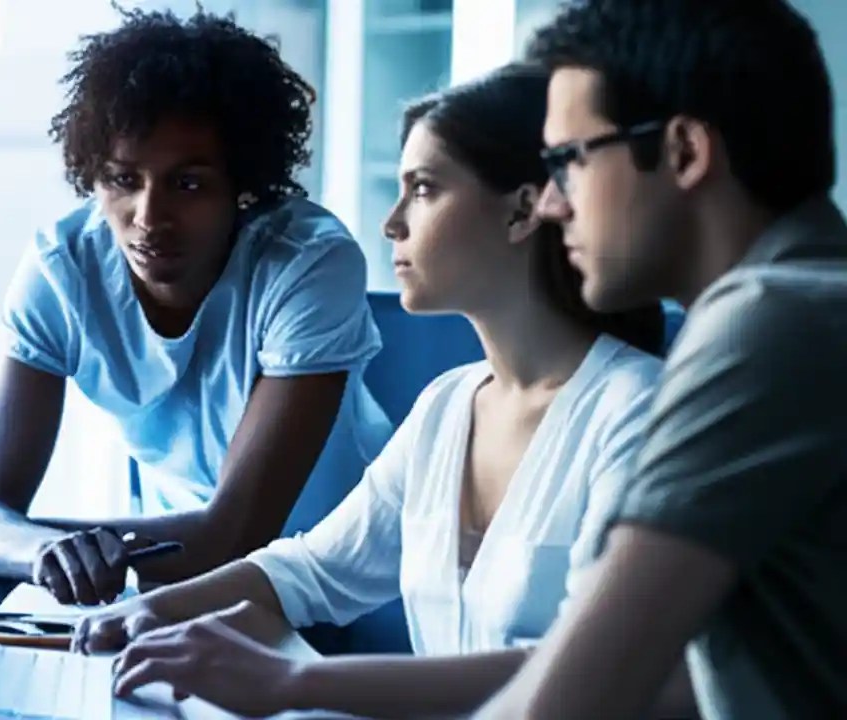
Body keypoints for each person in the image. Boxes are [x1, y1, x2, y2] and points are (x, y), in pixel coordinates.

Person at [74, 64, 678, 719]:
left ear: (524, 210)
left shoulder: (637, 414)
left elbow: (595, 667)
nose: (392, 223)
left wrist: (289, 682)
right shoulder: (448, 406)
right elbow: (312, 571)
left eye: (423, 189)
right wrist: (143, 611)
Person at [0, 7, 394, 607]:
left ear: (244, 185)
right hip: (177, 576)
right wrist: (19, 543)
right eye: (123, 180)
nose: (149, 218)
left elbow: (236, 535)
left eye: (189, 184)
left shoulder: (308, 263)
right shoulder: (64, 266)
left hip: (346, 577)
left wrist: (9, 541)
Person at [476, 1, 847, 719]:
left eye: (567, 161)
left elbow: (574, 701)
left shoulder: (774, 321)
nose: (551, 204)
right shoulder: (802, 304)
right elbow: (676, 684)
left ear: (683, 152)